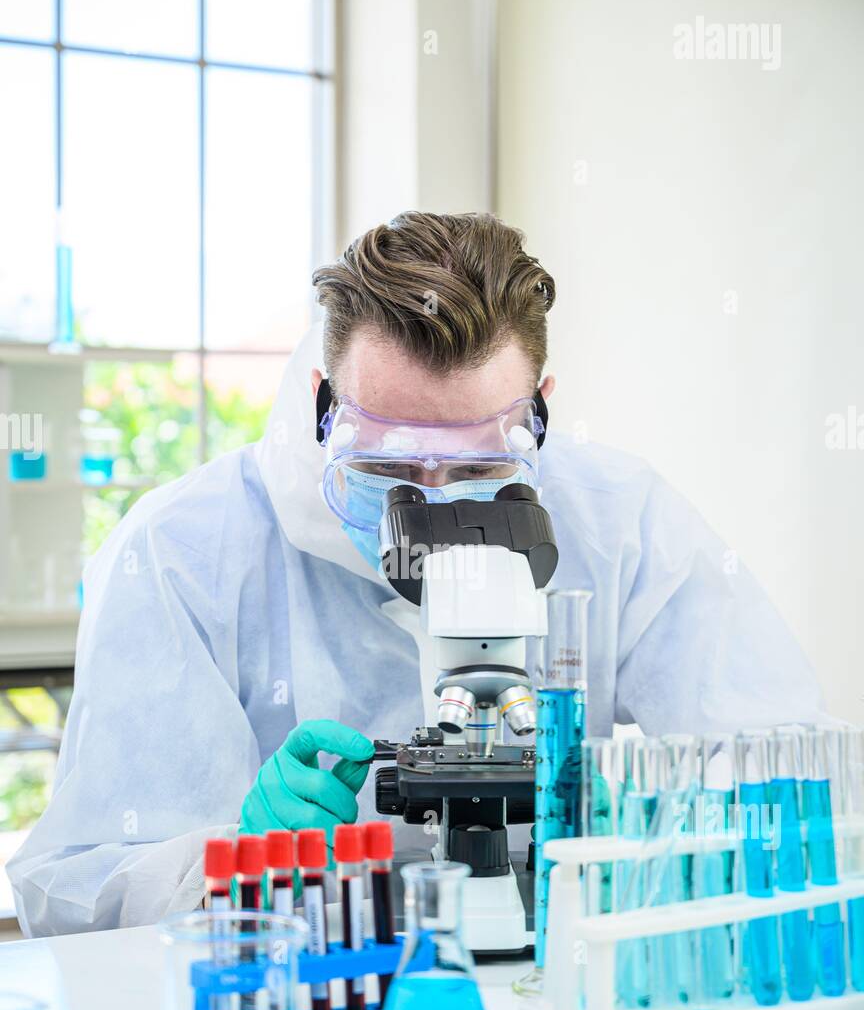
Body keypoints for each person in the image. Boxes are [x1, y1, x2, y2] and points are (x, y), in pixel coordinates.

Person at [10, 212, 826, 936]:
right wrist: (228, 862)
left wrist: (652, 814)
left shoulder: (621, 522)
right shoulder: (180, 551)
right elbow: (76, 892)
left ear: (539, 408)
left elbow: (788, 778)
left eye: (474, 468)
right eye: (385, 465)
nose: (429, 506)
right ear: (322, 402)